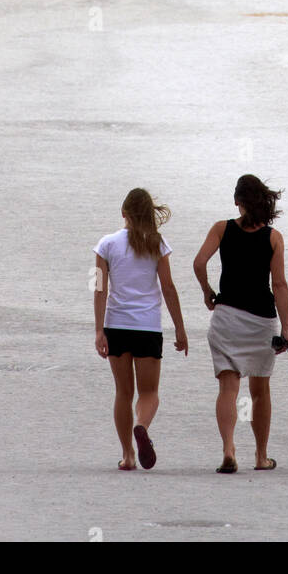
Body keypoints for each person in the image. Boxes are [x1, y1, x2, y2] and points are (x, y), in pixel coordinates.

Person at [193, 174, 288, 473]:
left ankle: (228, 449)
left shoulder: (222, 229)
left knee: (228, 388)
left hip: (226, 318)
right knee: (260, 392)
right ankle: (261, 456)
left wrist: (208, 292)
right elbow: (280, 284)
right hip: (261, 321)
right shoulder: (273, 238)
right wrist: (285, 329)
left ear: (237, 201)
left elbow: (198, 263)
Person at [94, 188, 188, 471]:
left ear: (124, 214)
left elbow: (100, 288)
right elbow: (168, 288)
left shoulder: (106, 245)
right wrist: (180, 330)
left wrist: (99, 331)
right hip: (147, 328)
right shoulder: (157, 244)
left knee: (123, 393)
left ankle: (128, 455)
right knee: (149, 393)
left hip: (116, 326)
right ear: (149, 214)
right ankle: (141, 425)